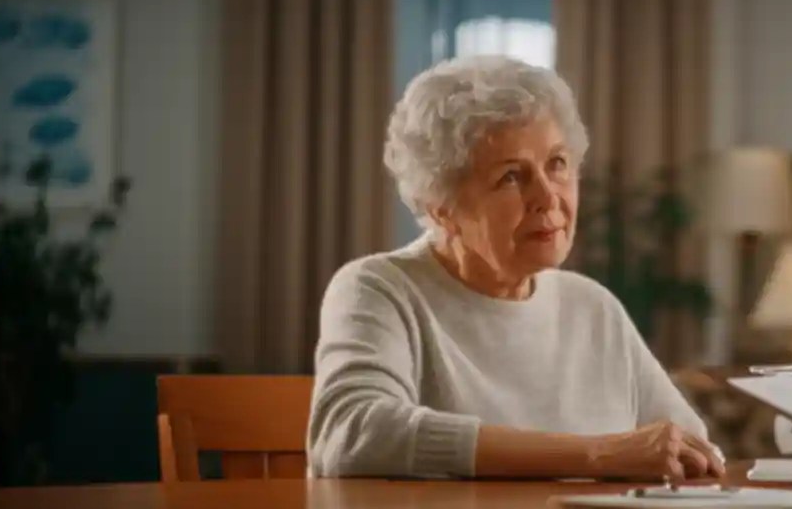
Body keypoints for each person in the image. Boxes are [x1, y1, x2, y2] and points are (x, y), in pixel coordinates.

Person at [308, 55, 722, 483]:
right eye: (511, 177)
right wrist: (595, 454)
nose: (548, 197)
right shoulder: (380, 289)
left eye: (557, 164)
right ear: (444, 210)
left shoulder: (592, 306)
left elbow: (688, 448)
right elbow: (353, 433)